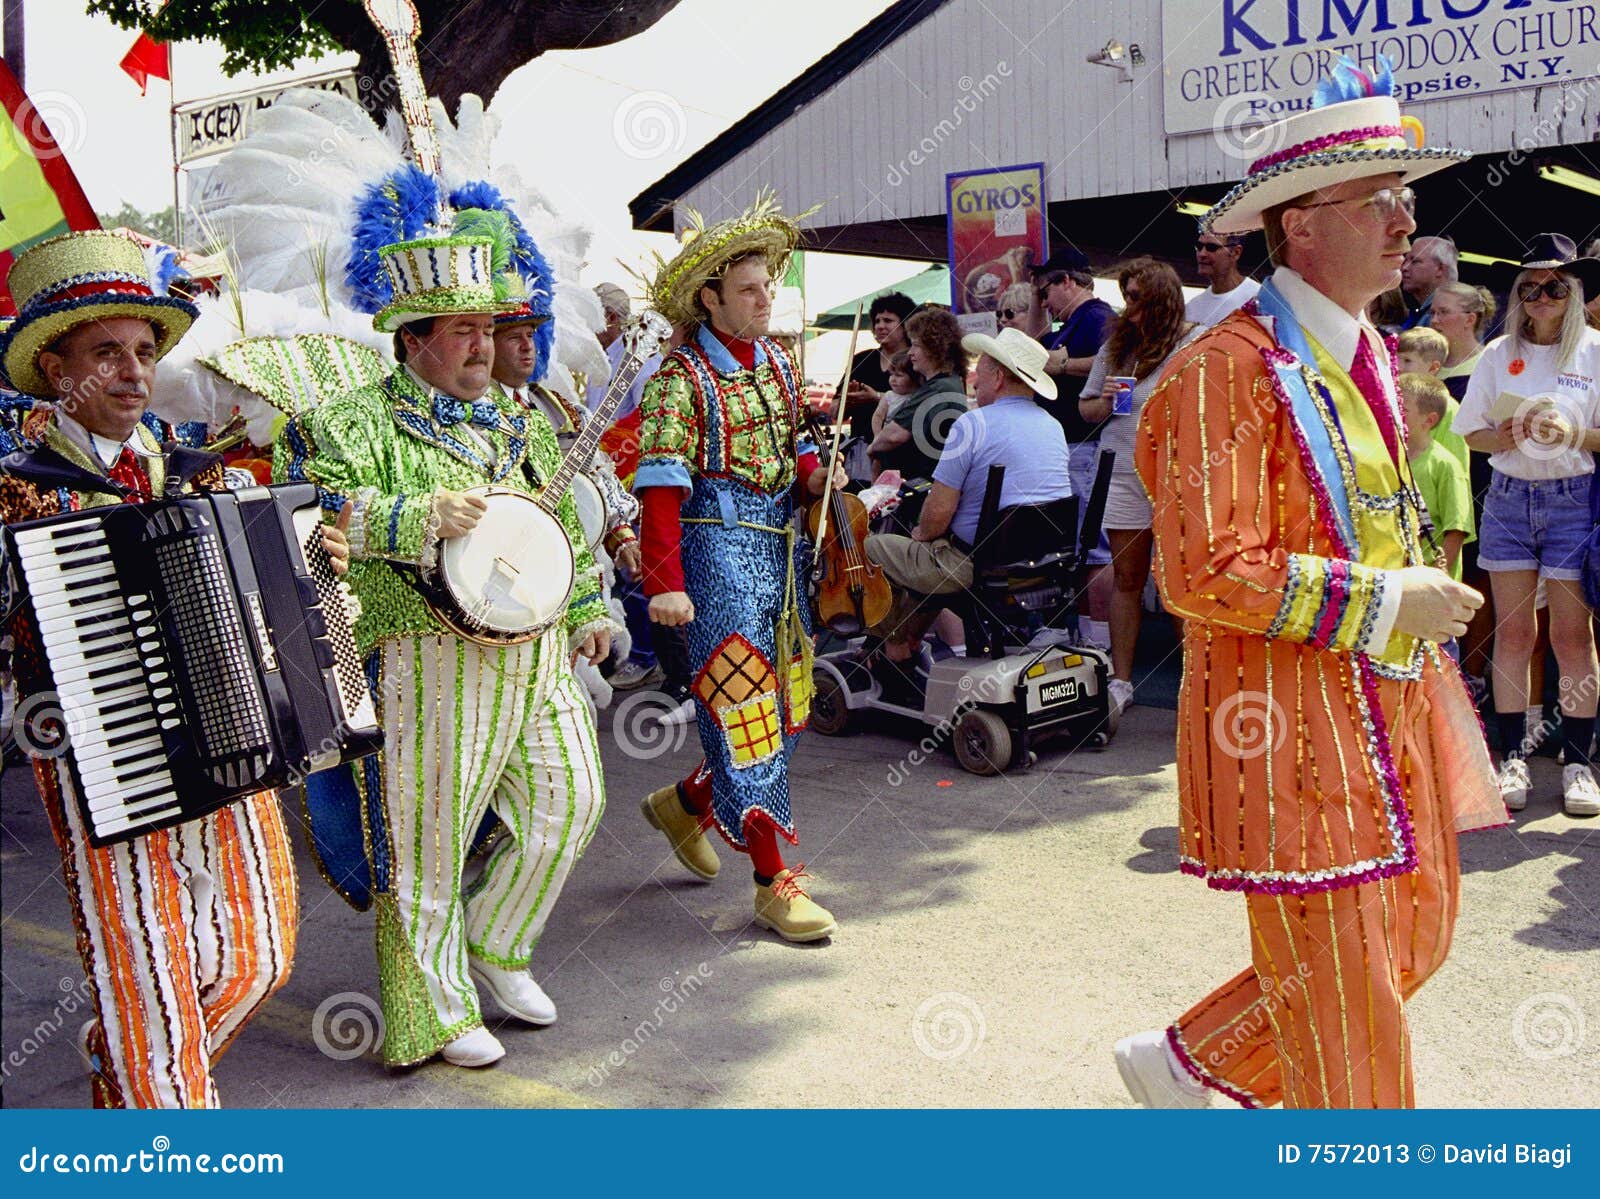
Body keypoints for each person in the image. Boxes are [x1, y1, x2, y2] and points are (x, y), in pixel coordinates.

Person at [1119, 57, 1503, 1110]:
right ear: (1298, 225)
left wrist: (1411, 589)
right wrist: (1385, 599)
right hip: (1287, 721)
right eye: (1375, 199)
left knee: (1414, 935)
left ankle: (1188, 1062)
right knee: (1347, 1008)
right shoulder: (1226, 367)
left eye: (1404, 196)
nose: (1404, 220)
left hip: (1392, 697)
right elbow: (1204, 568)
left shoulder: (1366, 347)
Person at [0, 230, 347, 1106]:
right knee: (151, 980)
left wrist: (314, 563)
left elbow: (272, 580)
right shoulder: (17, 485)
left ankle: (121, 1058)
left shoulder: (193, 469)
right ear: (56, 368)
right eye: (106, 353)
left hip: (232, 732)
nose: (132, 372)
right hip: (101, 750)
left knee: (256, 961)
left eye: (144, 352)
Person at [282, 218, 616, 1068]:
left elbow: (554, 525)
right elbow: (306, 521)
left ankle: (497, 941)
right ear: (413, 338)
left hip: (535, 646)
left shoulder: (520, 421)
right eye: (464, 329)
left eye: (489, 328)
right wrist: (416, 516)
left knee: (571, 798)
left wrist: (587, 607)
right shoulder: (345, 423)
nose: (484, 345)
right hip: (425, 655)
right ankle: (432, 1012)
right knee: (426, 841)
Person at [633, 194, 843, 943]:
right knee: (747, 712)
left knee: (786, 706)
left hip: (781, 556)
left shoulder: (780, 363)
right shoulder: (678, 378)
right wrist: (666, 585)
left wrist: (817, 476)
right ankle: (772, 882)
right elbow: (660, 490)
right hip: (715, 561)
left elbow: (800, 448)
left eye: (767, 286)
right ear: (709, 299)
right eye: (748, 290)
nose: (764, 298)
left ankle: (688, 802)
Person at [1452, 232, 1600, 818]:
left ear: (1574, 292)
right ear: (1517, 294)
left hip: (1572, 498)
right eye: (1530, 287)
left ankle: (1579, 764)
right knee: (1513, 634)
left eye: (1555, 287)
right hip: (1510, 497)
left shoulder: (1593, 350)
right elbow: (1472, 433)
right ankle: (1511, 756)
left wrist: (1574, 434)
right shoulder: (1497, 353)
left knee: (1572, 637)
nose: (1542, 297)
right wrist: (1505, 436)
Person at [864, 327, 1071, 667]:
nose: (974, 384)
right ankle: (906, 641)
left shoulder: (972, 424)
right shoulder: (1053, 426)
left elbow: (935, 519)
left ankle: (893, 646)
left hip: (977, 566)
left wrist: (921, 532)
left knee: (871, 548)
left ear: (999, 377)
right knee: (932, 555)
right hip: (1043, 565)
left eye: (981, 374)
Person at [1078, 258, 1202, 718]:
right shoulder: (1117, 345)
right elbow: (1086, 410)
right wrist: (1106, 400)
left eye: (1137, 298)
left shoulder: (1194, 342)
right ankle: (1121, 681)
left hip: (1177, 477)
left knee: (1179, 583)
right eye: (1126, 296)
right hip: (1123, 471)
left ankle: (1195, 684)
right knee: (1127, 577)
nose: (1129, 308)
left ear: (1162, 300)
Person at [1031, 246, 1115, 643]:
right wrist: (1037, 297)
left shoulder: (1096, 316)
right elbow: (1032, 346)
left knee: (1093, 547)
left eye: (1046, 291)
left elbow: (1115, 360)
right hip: (1074, 445)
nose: (1044, 301)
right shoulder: (1073, 321)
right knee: (1082, 547)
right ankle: (1088, 632)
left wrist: (1064, 365)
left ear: (1067, 281)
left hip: (1086, 445)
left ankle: (1101, 637)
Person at [867, 306, 969, 483]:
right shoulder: (947, 383)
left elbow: (894, 436)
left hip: (923, 483)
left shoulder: (939, 388)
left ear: (934, 349)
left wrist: (873, 447)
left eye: (916, 345)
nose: (910, 352)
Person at [1400, 371, 1475, 581]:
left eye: (1402, 409)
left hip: (1431, 578)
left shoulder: (1446, 465)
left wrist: (1438, 575)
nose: (1393, 412)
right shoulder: (1389, 458)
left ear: (1429, 420)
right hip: (1398, 576)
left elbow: (1457, 529)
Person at [837, 291, 916, 440]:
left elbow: (921, 401)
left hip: (901, 444)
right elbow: (834, 411)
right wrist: (847, 401)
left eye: (888, 320)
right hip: (860, 444)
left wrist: (877, 397)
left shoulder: (915, 359)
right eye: (877, 321)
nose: (880, 326)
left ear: (905, 325)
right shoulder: (860, 359)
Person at [1394, 325, 1468, 469]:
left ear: (1433, 368)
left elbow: (1457, 463)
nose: (1398, 366)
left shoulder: (1448, 408)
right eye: (1395, 358)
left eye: (1407, 360)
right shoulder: (1390, 397)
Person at [1429, 281, 1496, 399]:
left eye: (1444, 312)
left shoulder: (1491, 364)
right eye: (1432, 312)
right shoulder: (1423, 361)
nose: (1434, 320)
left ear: (1470, 320)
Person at [1185, 230, 1259, 327]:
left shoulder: (1259, 299)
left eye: (1212, 247)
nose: (1202, 254)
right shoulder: (1191, 309)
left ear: (1236, 252)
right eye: (1199, 246)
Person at [1397, 233, 1458, 329]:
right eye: (1405, 261)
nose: (1404, 268)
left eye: (1415, 261)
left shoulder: (1452, 314)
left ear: (1440, 269)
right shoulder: (1424, 313)